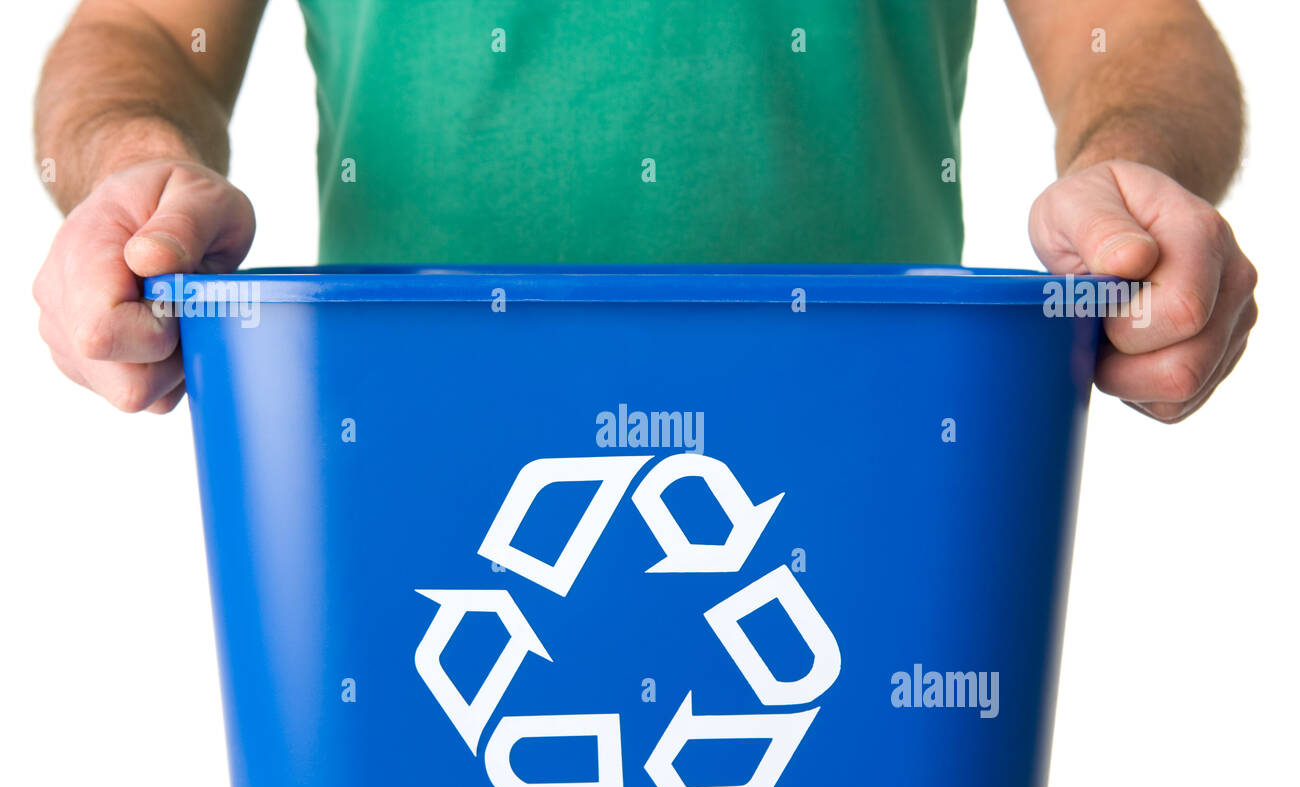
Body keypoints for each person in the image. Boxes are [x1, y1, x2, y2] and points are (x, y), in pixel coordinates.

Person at [33, 0, 1257, 423]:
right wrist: (131, 175)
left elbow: (1133, 31)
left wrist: (1131, 177)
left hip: (863, 438)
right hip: (410, 435)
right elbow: (146, 30)